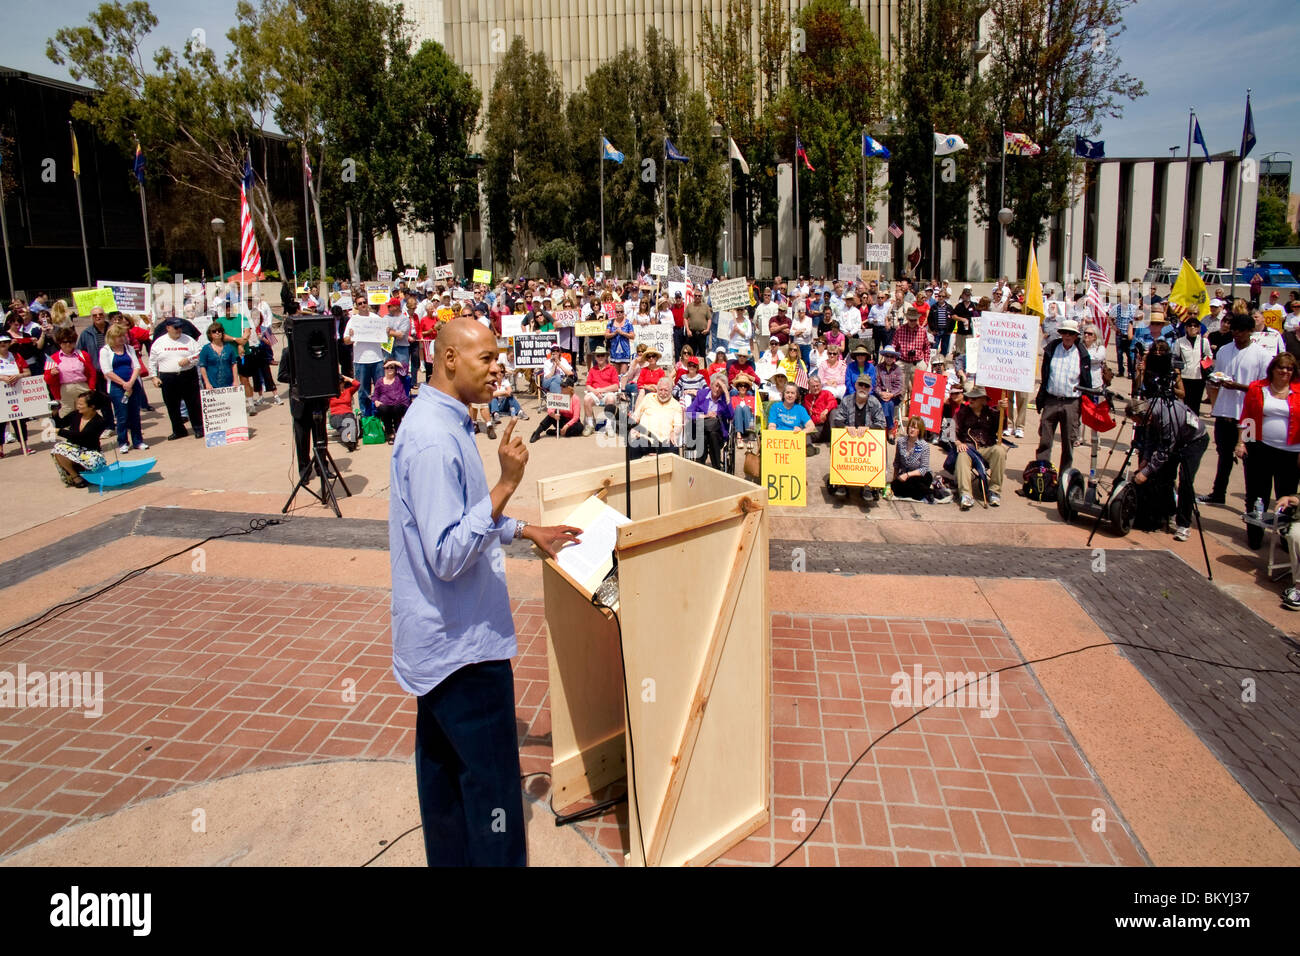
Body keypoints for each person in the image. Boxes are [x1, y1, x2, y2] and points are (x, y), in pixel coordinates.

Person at [389, 317, 579, 866]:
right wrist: (506, 483)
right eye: (487, 357)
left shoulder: (443, 421)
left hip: (444, 647)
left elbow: (462, 518)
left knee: (447, 784)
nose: (500, 368)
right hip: (463, 650)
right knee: (492, 791)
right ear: (449, 359)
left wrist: (525, 529)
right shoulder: (431, 438)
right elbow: (448, 553)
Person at [1199, 312, 1270, 506]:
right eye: (1234, 330)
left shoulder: (1261, 355)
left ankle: (1252, 499)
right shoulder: (1224, 350)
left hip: (1248, 416)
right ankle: (1218, 492)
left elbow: (1264, 387)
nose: (1237, 334)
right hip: (1225, 411)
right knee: (1224, 454)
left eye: (1241, 331)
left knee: (1249, 457)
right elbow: (1219, 376)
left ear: (1250, 331)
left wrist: (1239, 386)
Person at [1237, 351, 1300, 548]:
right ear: (1272, 369)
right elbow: (1247, 416)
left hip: (1291, 452)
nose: (1285, 372)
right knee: (1257, 493)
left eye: (1289, 369)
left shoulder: (1298, 390)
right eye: (1281, 367)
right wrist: (1241, 442)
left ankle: (1285, 537)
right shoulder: (1258, 388)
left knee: (1287, 495)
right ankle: (1255, 535)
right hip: (1260, 448)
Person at [1126, 395, 1209, 542]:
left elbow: (1164, 451)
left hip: (1194, 441)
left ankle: (1184, 524)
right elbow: (1150, 439)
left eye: (1138, 421)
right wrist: (1145, 459)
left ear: (1146, 415)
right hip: (1176, 439)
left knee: (1186, 480)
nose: (1138, 424)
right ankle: (1169, 512)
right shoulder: (1148, 409)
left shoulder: (1167, 417)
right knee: (1165, 476)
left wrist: (1146, 472)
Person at [1034, 319, 1091, 475]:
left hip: (1071, 402)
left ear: (1075, 336)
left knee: (1068, 442)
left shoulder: (1082, 354)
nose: (1067, 336)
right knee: (1045, 440)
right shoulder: (1052, 349)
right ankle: (1042, 474)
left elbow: (1087, 380)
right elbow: (1045, 375)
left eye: (1071, 333)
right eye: (1064, 332)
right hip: (1051, 400)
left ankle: (1064, 478)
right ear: (1060, 334)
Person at [827, 374, 886, 499]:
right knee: (839, 438)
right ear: (856, 385)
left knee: (880, 442)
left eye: (866, 386)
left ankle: (868, 486)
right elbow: (838, 420)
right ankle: (841, 483)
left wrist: (868, 429)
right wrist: (846, 428)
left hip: (867, 443)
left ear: (870, 389)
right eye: (861, 385)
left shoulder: (874, 402)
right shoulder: (847, 400)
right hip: (850, 440)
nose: (863, 388)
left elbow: (882, 424)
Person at [148, 317, 204, 440]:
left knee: (193, 404)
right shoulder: (159, 342)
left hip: (187, 375)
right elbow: (152, 361)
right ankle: (178, 430)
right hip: (168, 377)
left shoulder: (188, 340)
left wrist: (189, 359)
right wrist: (153, 377)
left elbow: (200, 353)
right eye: (175, 327)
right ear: (168, 328)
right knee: (172, 406)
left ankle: (198, 428)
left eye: (180, 327)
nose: (179, 329)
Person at [953, 385, 1008, 510]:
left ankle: (994, 491)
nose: (971, 400)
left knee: (1000, 450)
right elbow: (949, 431)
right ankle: (966, 494)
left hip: (987, 447)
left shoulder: (991, 412)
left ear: (983, 400)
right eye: (970, 397)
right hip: (969, 448)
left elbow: (1002, 427)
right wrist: (958, 443)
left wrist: (1001, 411)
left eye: (975, 398)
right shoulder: (962, 413)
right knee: (962, 455)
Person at [99, 324, 148, 453]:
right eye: (118, 336)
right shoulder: (105, 351)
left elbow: (136, 366)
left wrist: (131, 382)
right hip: (117, 387)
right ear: (111, 338)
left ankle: (138, 441)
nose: (121, 339)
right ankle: (122, 442)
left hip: (133, 385)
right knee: (122, 416)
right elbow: (107, 371)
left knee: (135, 414)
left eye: (122, 336)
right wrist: (123, 383)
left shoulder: (129, 348)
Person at [49, 391, 109, 487]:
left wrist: (58, 431)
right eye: (78, 403)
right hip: (75, 448)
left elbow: (82, 437)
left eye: (81, 404)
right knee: (58, 448)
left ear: (92, 406)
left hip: (90, 451)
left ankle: (88, 473)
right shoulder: (75, 414)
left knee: (94, 462)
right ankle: (75, 476)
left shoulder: (99, 421)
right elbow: (60, 423)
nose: (78, 406)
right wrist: (55, 412)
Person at [342, 298, 385, 419]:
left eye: (364, 302)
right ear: (357, 306)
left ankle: (380, 416)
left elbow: (384, 336)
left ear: (367, 303)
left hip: (377, 358)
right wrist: (351, 337)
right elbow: (346, 341)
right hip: (360, 361)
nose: (363, 305)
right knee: (363, 391)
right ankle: (366, 418)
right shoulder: (353, 321)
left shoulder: (376, 318)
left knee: (380, 389)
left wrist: (385, 332)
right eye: (359, 304)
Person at [43, 327, 98, 418]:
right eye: (64, 342)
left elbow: (92, 372)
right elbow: (47, 379)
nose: (68, 344)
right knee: (67, 414)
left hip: (82, 386)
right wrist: (52, 374)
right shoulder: (52, 358)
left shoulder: (83, 355)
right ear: (60, 342)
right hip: (65, 389)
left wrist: (92, 387)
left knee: (87, 413)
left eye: (71, 341)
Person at [685, 373, 735, 470]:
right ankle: (700, 465)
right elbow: (689, 413)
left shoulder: (725, 399)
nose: (718, 389)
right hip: (700, 431)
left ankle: (716, 468)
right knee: (703, 436)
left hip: (717, 433)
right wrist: (704, 415)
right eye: (716, 386)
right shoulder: (702, 394)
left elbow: (731, 416)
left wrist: (727, 394)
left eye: (721, 387)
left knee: (713, 435)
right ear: (711, 385)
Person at [630, 374, 683, 458]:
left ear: (671, 390)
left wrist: (674, 432)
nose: (662, 393)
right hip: (646, 438)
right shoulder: (648, 398)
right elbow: (636, 415)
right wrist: (634, 427)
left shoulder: (676, 405)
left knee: (674, 449)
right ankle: (634, 471)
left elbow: (678, 425)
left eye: (666, 390)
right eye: (660, 390)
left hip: (664, 440)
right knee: (634, 445)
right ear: (657, 389)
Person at [892, 305, 930, 412]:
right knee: (900, 391)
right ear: (907, 319)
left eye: (914, 320)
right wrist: (895, 361)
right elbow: (893, 346)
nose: (913, 322)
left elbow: (927, 347)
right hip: (903, 362)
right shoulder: (900, 330)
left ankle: (917, 416)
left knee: (919, 392)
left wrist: (925, 363)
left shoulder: (922, 331)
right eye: (911, 320)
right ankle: (896, 419)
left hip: (917, 363)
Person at [1173, 311, 1213, 411]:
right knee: (1185, 404)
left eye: (1195, 326)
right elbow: (1175, 358)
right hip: (1184, 377)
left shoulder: (1204, 342)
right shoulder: (1180, 342)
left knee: (1195, 405)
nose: (1192, 328)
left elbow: (1210, 357)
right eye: (1190, 325)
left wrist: (1205, 362)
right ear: (1186, 328)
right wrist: (1177, 374)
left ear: (1199, 328)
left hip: (1199, 378)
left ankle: (1194, 425)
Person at [892, 415, 935, 501]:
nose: (912, 430)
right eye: (911, 426)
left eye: (915, 428)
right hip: (905, 474)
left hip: (920, 475)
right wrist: (895, 477)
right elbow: (897, 462)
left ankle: (930, 492)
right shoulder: (901, 442)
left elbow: (924, 468)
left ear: (919, 431)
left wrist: (908, 475)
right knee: (895, 487)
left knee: (916, 487)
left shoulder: (924, 446)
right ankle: (924, 492)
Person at [373, 358, 413, 443]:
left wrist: (393, 362)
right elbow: (375, 395)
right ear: (384, 369)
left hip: (399, 403)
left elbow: (405, 367)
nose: (390, 369)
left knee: (396, 408)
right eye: (387, 367)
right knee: (383, 409)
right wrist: (376, 401)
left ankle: (398, 431)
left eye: (392, 367)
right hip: (385, 404)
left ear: (395, 369)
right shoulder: (380, 381)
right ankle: (389, 433)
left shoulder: (399, 377)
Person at [198, 322, 239, 391]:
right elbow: (202, 367)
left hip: (229, 383)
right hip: (212, 384)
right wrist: (207, 383)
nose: (217, 333)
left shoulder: (229, 347)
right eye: (214, 331)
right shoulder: (205, 349)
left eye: (219, 331)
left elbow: (234, 364)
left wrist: (236, 380)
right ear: (210, 334)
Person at [802, 375, 838, 444]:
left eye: (817, 385)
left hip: (827, 426)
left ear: (821, 385)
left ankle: (835, 440)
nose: (816, 388)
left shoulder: (826, 393)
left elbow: (833, 402)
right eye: (813, 386)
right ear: (809, 387)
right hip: (815, 427)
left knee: (834, 411)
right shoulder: (807, 398)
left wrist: (826, 410)